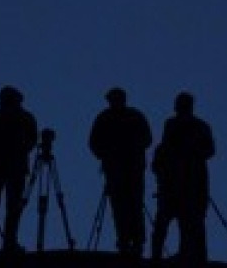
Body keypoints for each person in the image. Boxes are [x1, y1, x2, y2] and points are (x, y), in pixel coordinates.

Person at [88, 86, 153, 257]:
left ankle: (136, 242)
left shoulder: (130, 116)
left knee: (132, 205)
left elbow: (147, 139)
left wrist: (127, 150)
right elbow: (94, 143)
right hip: (117, 170)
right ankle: (125, 241)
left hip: (132, 169)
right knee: (120, 206)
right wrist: (106, 155)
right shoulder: (106, 118)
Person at [152, 91, 215, 264]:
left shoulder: (198, 126)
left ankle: (185, 254)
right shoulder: (172, 124)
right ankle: (159, 254)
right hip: (174, 182)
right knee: (166, 221)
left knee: (186, 221)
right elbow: (164, 151)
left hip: (190, 183)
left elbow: (209, 151)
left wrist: (190, 153)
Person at [0, 85, 39, 253]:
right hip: (3, 167)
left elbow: (31, 140)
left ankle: (3, 239)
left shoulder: (19, 118)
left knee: (5, 205)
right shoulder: (21, 117)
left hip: (10, 167)